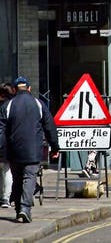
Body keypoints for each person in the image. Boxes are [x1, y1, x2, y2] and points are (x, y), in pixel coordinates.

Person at [0, 76, 58, 223]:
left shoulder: (8, 105)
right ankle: (25, 208)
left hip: (14, 151)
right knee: (29, 178)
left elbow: (1, 131)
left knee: (17, 179)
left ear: (14, 89)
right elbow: (49, 126)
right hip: (33, 150)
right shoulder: (38, 104)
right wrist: (54, 147)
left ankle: (19, 208)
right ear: (29, 89)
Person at [0, 82, 14, 208]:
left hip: (3, 142)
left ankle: (3, 197)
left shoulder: (3, 106)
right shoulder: (12, 106)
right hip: (7, 143)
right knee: (6, 171)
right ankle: (6, 198)